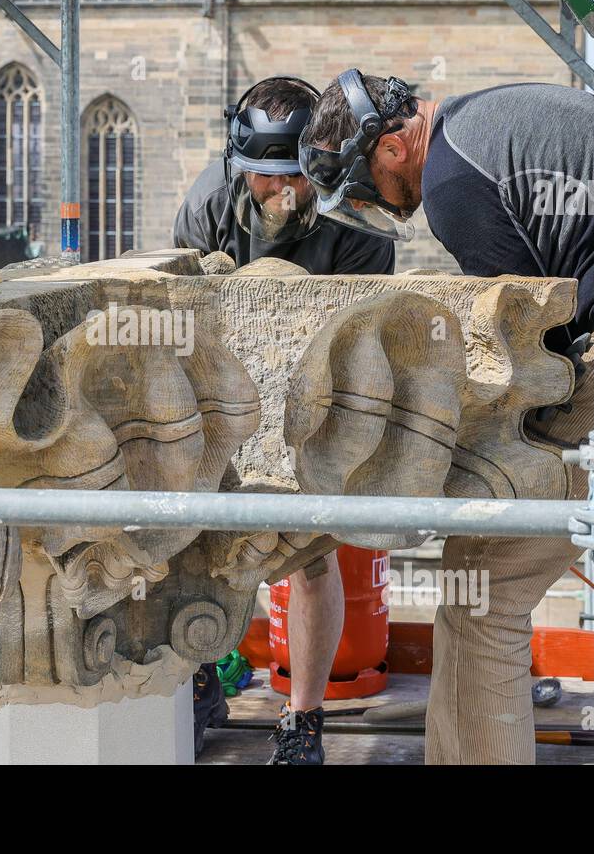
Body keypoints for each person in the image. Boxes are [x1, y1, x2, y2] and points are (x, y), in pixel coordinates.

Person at [298, 69, 594, 764]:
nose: (384, 208)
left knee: (482, 588)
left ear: (391, 148)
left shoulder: (450, 181)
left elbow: (517, 342)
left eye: (366, 189)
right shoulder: (484, 117)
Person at [175, 76, 395, 764]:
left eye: (290, 178)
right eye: (261, 179)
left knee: (310, 553)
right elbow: (183, 317)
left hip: (320, 386)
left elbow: (365, 334)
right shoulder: (210, 203)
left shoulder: (357, 221)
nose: (276, 193)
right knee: (191, 536)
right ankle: (202, 676)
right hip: (222, 380)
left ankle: (302, 719)